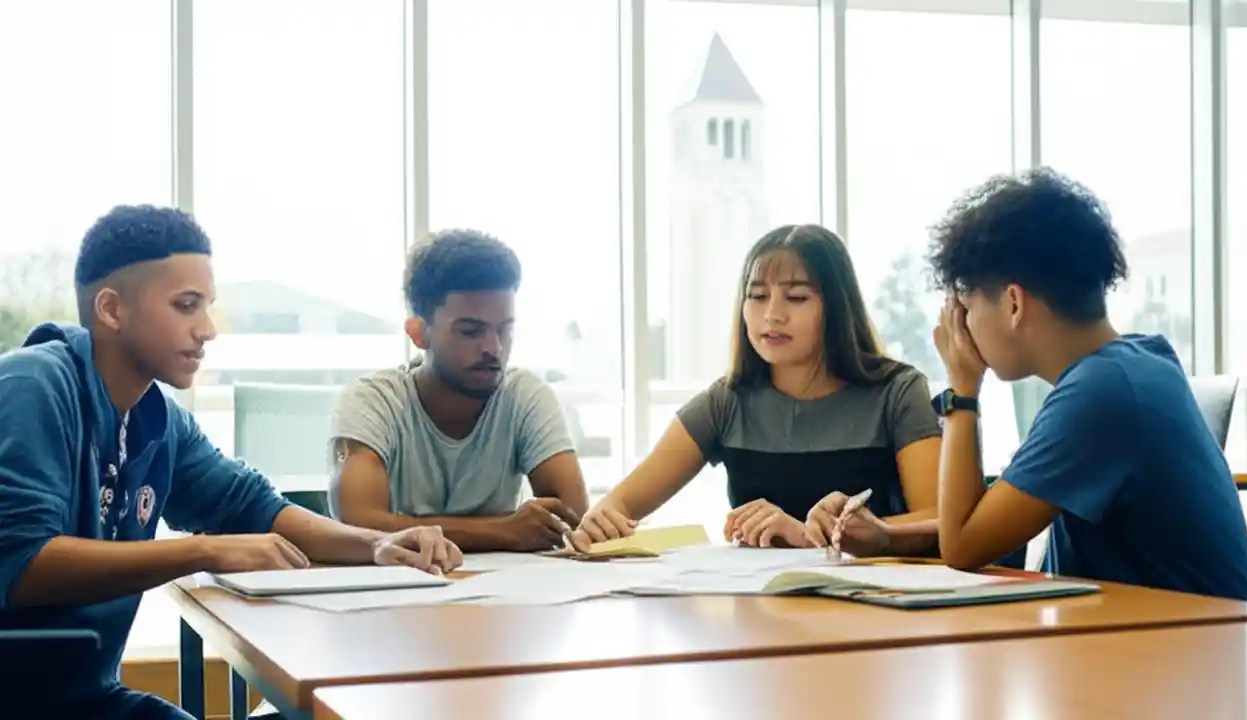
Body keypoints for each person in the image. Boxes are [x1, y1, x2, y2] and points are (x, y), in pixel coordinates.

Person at [0, 205, 462, 718]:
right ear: (111, 310)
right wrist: (205, 552)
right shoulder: (33, 386)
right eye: (186, 306)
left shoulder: (159, 420)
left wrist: (375, 545)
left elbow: (249, 504)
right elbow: (21, 565)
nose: (207, 330)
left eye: (207, 306)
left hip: (87, 700)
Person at [928, 168, 1247, 601]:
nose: (963, 330)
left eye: (966, 308)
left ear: (1013, 303)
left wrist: (962, 390)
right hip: (1173, 646)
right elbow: (996, 511)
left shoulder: (1100, 393)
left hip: (1184, 656)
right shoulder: (1137, 363)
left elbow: (962, 546)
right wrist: (887, 538)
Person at [570, 224, 942, 556]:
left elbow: (939, 520)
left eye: (796, 297)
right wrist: (603, 518)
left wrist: (812, 537)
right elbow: (621, 504)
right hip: (758, 610)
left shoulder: (898, 392)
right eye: (758, 296)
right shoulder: (727, 401)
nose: (772, 314)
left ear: (838, 308)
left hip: (874, 604)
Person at [329, 229, 589, 552]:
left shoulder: (524, 395)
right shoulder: (372, 401)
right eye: (471, 331)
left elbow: (573, 517)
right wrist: (502, 531)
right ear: (418, 333)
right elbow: (356, 522)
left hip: (504, 595)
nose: (493, 348)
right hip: (395, 595)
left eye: (505, 329)